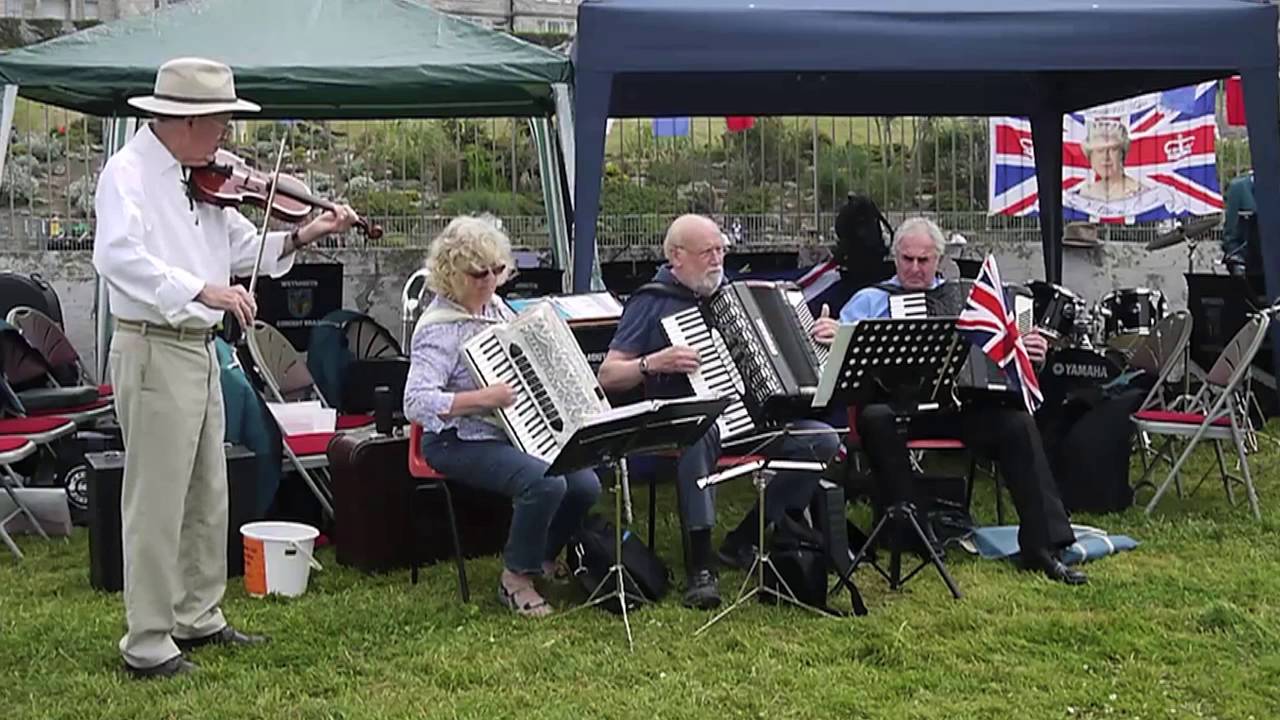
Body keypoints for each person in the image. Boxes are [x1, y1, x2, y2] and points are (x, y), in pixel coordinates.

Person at [94, 57, 359, 680]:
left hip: (200, 349)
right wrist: (203, 290)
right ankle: (148, 641)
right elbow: (117, 257)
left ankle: (198, 615)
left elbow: (246, 247)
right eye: (221, 122)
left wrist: (303, 235)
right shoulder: (127, 174)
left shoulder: (203, 176)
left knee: (209, 490)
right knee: (157, 499)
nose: (228, 139)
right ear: (185, 120)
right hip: (154, 343)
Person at [597, 214, 841, 609]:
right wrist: (653, 362)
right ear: (676, 256)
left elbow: (793, 359)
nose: (717, 260)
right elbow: (608, 375)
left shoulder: (736, 295)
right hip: (680, 422)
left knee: (821, 440)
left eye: (721, 251)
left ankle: (746, 539)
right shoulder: (651, 300)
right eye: (707, 252)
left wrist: (821, 339)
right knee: (703, 426)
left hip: (752, 420)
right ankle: (700, 565)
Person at [839, 217, 1087, 585]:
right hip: (899, 407)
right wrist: (835, 337)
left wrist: (1031, 352)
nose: (915, 269)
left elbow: (1008, 353)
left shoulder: (971, 297)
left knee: (1017, 424)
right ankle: (915, 532)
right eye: (907, 259)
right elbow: (842, 361)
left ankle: (1043, 545)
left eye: (924, 261)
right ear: (895, 258)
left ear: (939, 260)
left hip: (960, 407)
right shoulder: (870, 300)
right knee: (875, 419)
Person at [404, 215, 601, 619]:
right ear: (452, 273)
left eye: (497, 270)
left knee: (585, 482)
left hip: (513, 433)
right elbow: (416, 402)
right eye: (479, 274)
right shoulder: (438, 329)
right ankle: (515, 578)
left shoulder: (495, 307)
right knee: (544, 483)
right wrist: (480, 399)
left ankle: (542, 556)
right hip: (453, 440)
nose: (491, 281)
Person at [1067, 117, 1175, 220]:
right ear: (1090, 157)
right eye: (1099, 151)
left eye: (1113, 149)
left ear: (1123, 154)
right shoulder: (1085, 192)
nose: (1106, 157)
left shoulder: (1140, 191)